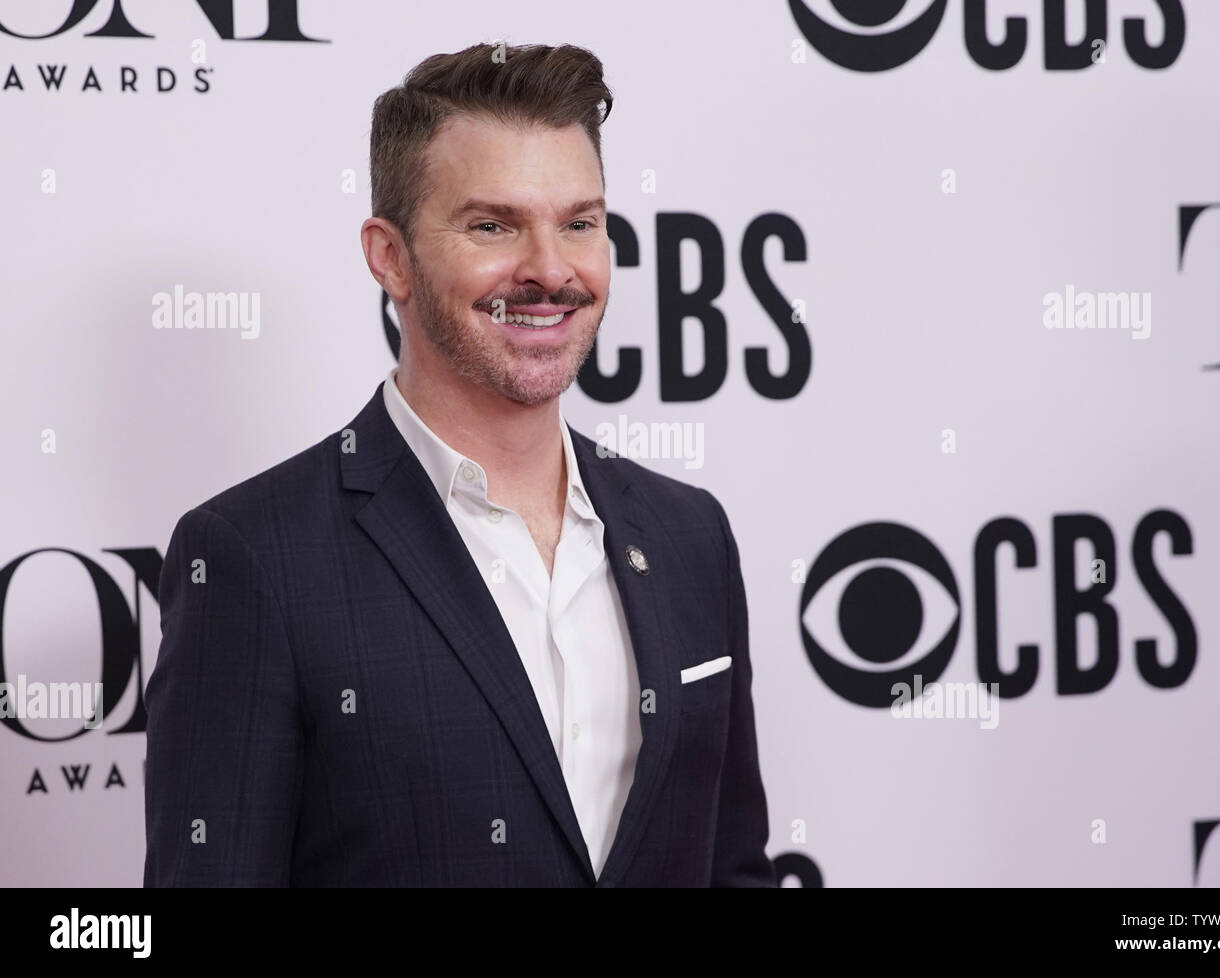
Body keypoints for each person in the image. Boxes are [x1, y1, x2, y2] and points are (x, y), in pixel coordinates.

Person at [143, 41, 776, 887]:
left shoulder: (691, 534)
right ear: (390, 257)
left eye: (580, 223)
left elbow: (732, 868)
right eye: (492, 225)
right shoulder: (257, 557)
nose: (551, 270)